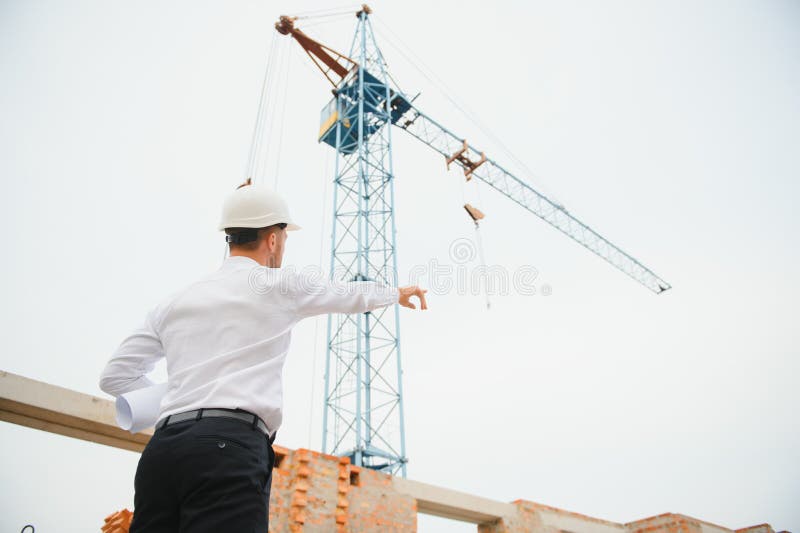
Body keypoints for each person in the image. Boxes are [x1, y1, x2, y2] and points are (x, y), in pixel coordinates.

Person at [99, 180, 428, 532]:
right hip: (229, 450)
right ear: (273, 238)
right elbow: (346, 294)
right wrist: (395, 293)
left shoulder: (174, 302)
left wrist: (182, 394)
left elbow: (115, 376)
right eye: (285, 239)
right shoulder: (278, 286)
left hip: (162, 451)